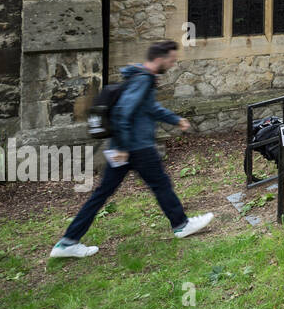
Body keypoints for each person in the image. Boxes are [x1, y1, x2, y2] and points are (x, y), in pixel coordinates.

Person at [49, 40, 214, 258]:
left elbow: (150, 108)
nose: (172, 65)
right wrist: (124, 146)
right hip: (137, 148)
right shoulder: (143, 79)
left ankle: (67, 242)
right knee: (161, 184)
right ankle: (181, 224)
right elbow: (123, 113)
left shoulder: (139, 77)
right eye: (171, 60)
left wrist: (176, 120)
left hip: (126, 147)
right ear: (159, 58)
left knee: (102, 194)